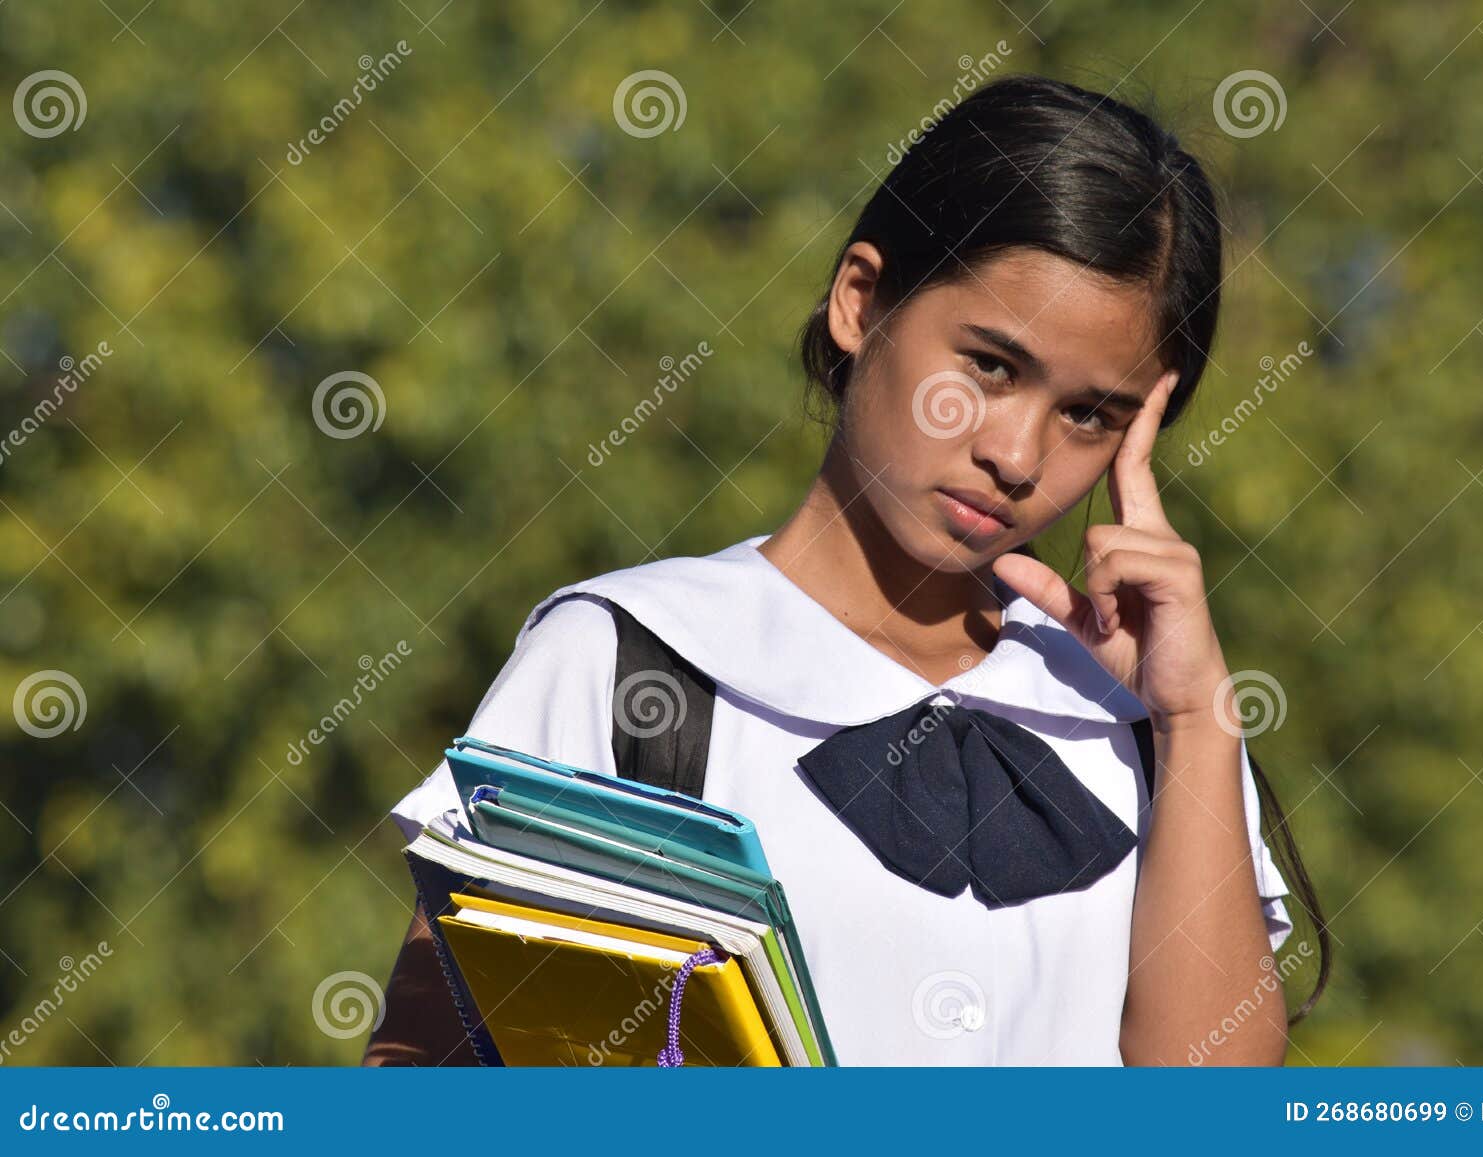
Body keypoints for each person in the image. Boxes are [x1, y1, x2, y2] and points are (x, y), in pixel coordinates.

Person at [363, 71, 1330, 1067]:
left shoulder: (1147, 725)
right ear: (860, 300)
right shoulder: (632, 665)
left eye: (1090, 413)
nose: (1018, 454)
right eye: (990, 366)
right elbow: (419, 1084)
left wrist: (1195, 720)